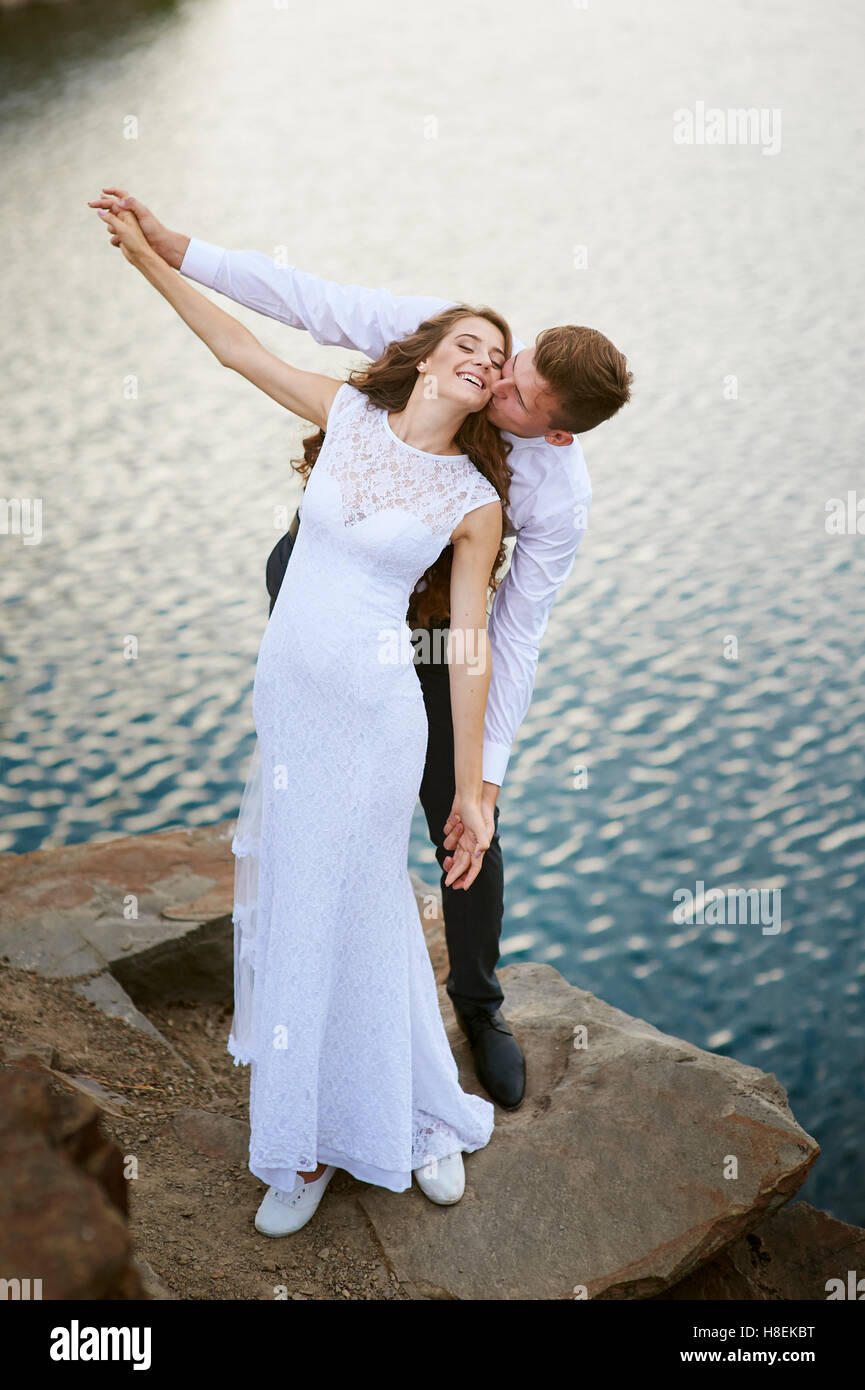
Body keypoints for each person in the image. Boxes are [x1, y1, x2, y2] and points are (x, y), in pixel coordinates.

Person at [88, 189, 633, 1115]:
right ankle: (314, 976)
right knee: (318, 787)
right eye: (506, 361)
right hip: (325, 566)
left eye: (517, 390)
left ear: (556, 429)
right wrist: (172, 251)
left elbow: (504, 635)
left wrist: (483, 782)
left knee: (451, 819)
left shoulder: (546, 494)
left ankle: (476, 1006)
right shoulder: (456, 343)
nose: (495, 380)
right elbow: (303, 302)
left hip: (424, 624)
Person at [94, 199, 513, 1236]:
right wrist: (152, 257)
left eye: (494, 358)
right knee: (294, 901)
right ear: (423, 360)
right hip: (290, 703)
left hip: (377, 721)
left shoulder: (471, 500)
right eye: (465, 341)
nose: (480, 358)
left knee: (360, 904)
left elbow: (469, 648)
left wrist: (470, 786)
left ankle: (417, 1121)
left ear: (490, 393)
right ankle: (305, 1142)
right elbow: (237, 344)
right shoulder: (347, 417)